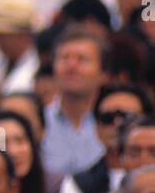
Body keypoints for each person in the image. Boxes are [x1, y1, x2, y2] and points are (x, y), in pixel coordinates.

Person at [57, 84, 151, 193]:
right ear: (96, 127)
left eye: (128, 117)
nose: (117, 124)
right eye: (108, 118)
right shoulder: (76, 184)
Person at [41, 28, 110, 180]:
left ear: (103, 73)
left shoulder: (113, 122)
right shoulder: (40, 122)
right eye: (64, 58)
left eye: (82, 59)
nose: (71, 66)